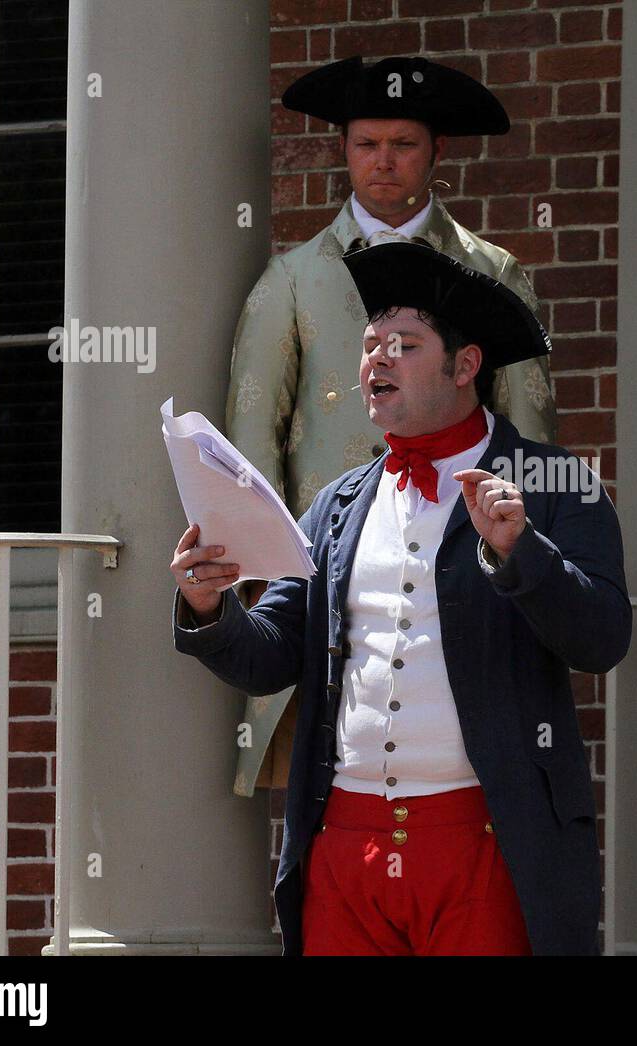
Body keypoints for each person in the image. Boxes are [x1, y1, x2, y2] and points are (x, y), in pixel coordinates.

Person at [170, 242, 630, 955]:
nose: (375, 362)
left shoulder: (554, 482)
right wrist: (209, 608)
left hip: (487, 844)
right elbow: (270, 658)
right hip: (344, 849)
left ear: (466, 365)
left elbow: (603, 639)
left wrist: (521, 553)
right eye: (368, 348)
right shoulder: (335, 506)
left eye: (404, 346)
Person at [225, 54, 557, 799]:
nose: (383, 162)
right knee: (329, 796)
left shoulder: (493, 273)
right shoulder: (292, 280)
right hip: (330, 578)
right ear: (344, 149)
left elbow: (531, 443)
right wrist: (271, 595)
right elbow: (252, 452)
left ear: (437, 152)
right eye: (366, 143)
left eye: (403, 144)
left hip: (466, 575)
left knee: (474, 782)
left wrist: (527, 567)